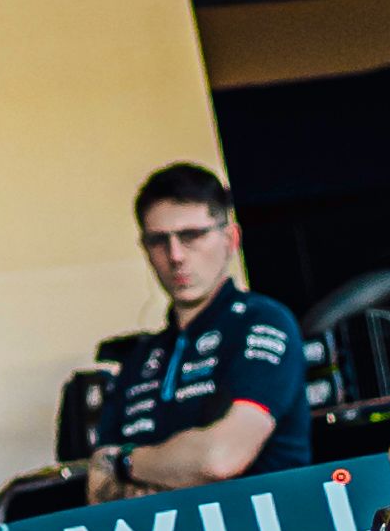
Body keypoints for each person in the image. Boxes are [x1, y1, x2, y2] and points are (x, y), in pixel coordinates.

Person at [84, 161, 308, 497]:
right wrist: (175, 462)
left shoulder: (262, 321)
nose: (175, 256)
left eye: (191, 236)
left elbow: (221, 458)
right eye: (159, 241)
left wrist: (128, 463)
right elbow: (99, 488)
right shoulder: (139, 358)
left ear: (231, 239)